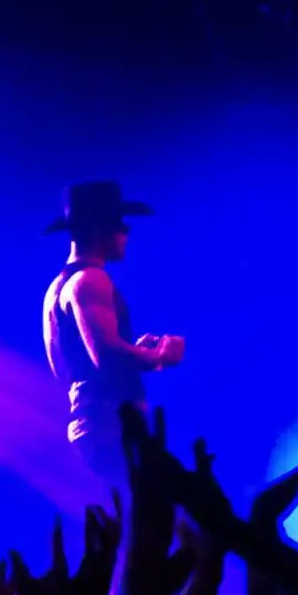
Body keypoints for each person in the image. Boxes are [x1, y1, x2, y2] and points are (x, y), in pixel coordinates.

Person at [42, 181, 185, 484]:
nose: (126, 231)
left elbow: (70, 366)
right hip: (111, 426)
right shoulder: (90, 281)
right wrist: (160, 355)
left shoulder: (57, 287)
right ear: (97, 227)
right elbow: (106, 357)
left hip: (93, 423)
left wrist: (134, 349)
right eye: (118, 222)